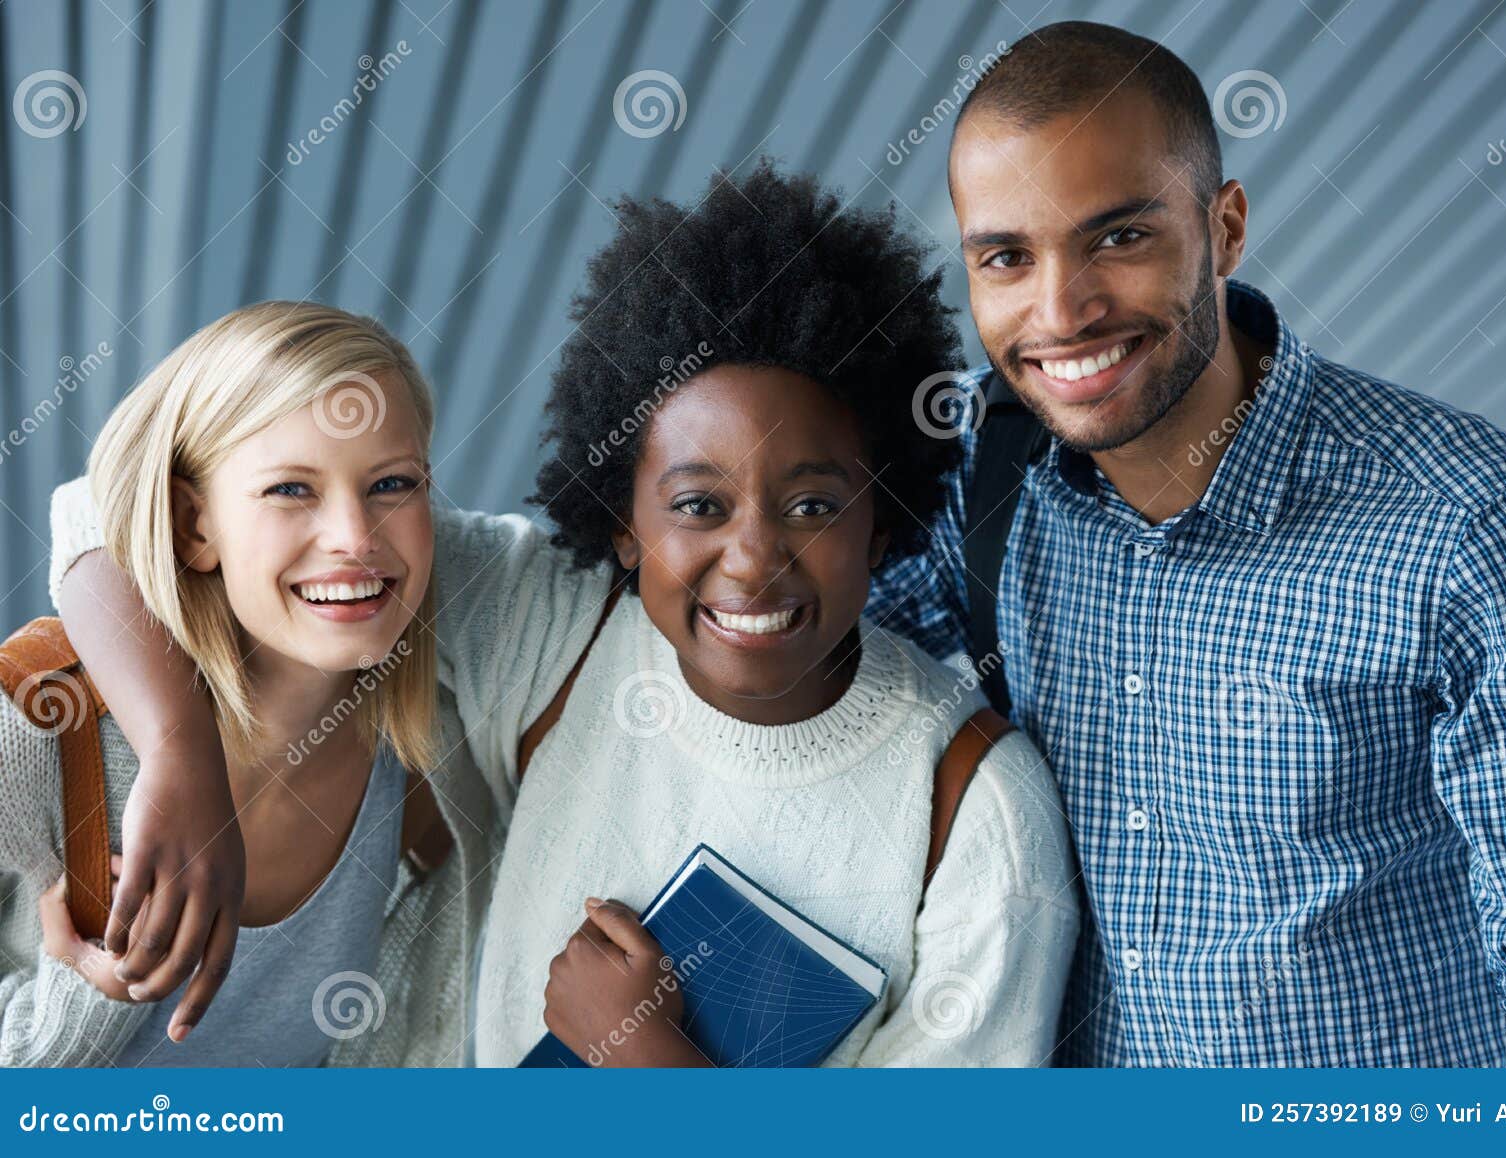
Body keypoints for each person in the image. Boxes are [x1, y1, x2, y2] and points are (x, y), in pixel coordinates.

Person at [865, 20, 1506, 1067]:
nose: (1061, 310)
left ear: (1226, 227)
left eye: (1118, 237)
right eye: (1006, 258)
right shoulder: (985, 482)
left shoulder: (1467, 518)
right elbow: (769, 646)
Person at [475, 162, 1078, 1066]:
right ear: (623, 524)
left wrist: (645, 1058)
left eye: (810, 507)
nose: (755, 560)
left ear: (883, 525)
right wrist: (176, 745)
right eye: (697, 506)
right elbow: (270, 534)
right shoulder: (557, 633)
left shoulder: (975, 812)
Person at [1, 303, 446, 1065]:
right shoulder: (37, 726)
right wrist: (82, 1002)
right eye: (290, 490)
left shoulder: (419, 756)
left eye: (392, 482)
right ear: (193, 525)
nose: (355, 537)